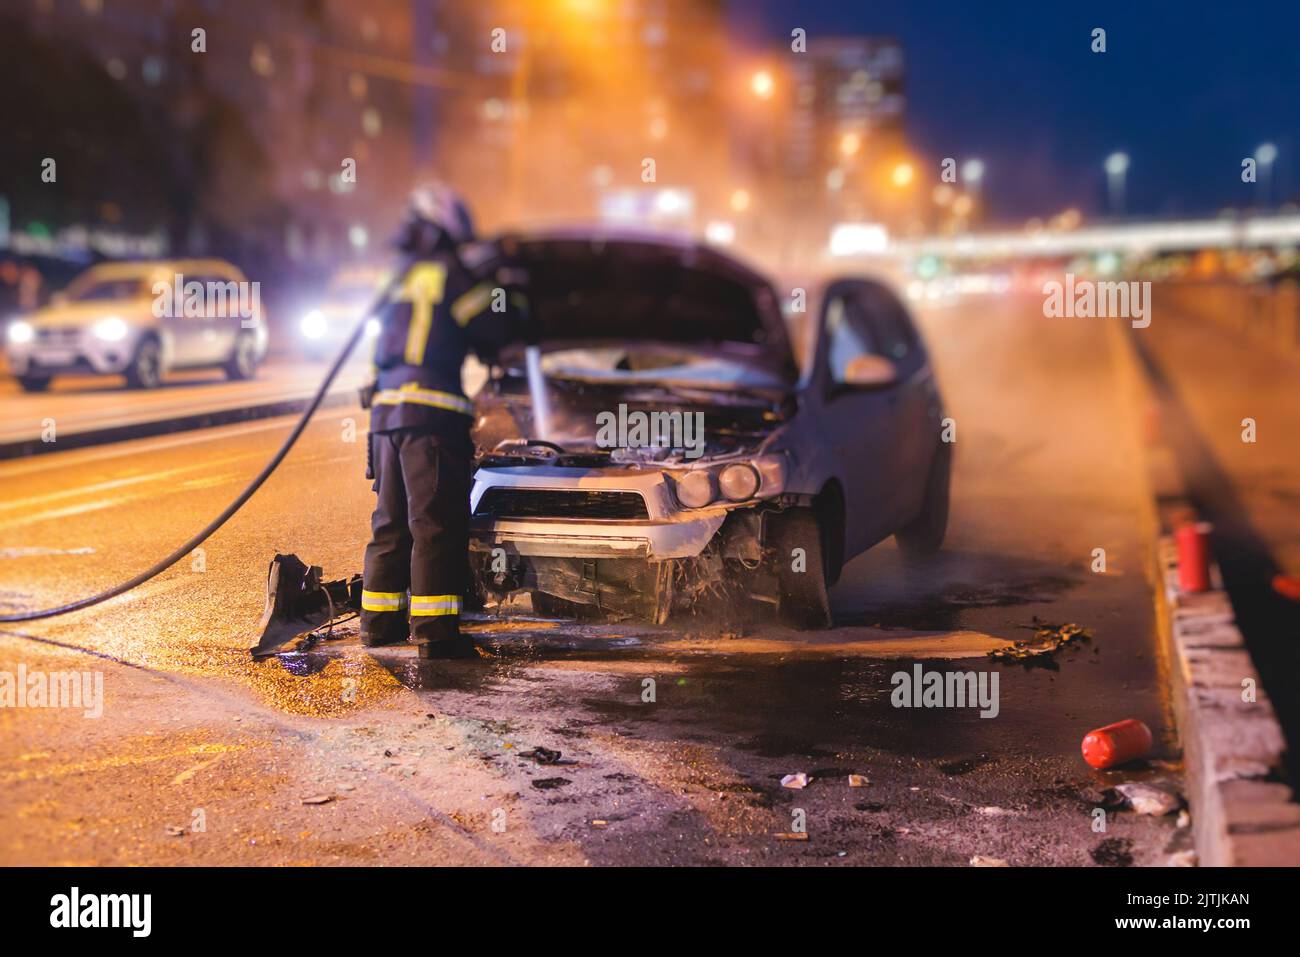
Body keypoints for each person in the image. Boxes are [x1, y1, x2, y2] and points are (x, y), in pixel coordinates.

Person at [360, 183, 523, 658]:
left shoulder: (396, 275)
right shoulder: (454, 275)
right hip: (431, 416)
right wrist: (508, 293)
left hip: (386, 415)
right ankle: (436, 635)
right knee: (435, 524)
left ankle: (378, 627)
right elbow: (494, 330)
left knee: (390, 523)